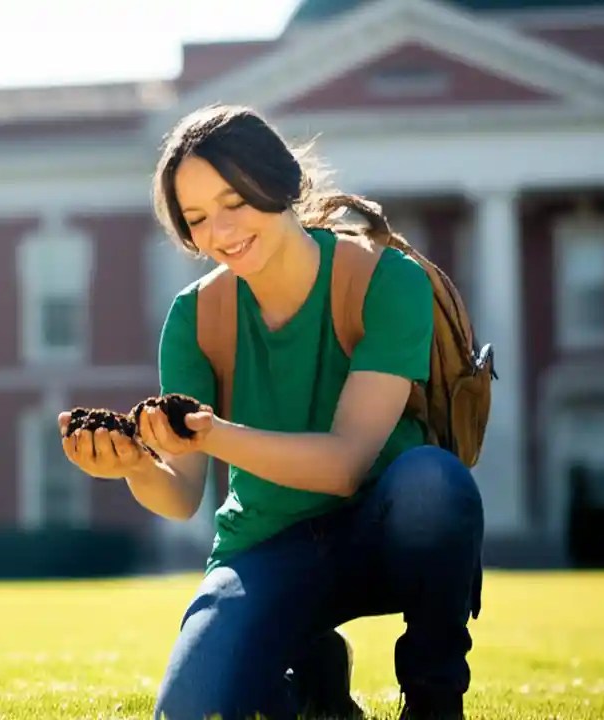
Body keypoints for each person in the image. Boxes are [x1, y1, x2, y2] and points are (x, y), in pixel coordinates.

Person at [57, 104, 485, 720]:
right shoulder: (194, 318)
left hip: (383, 534)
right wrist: (134, 465)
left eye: (235, 201)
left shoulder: (387, 280)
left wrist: (213, 434)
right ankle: (312, 674)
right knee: (189, 712)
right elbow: (182, 495)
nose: (222, 233)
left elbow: (343, 465)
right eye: (198, 219)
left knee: (435, 482)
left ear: (280, 182)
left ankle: (432, 698)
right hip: (265, 548)